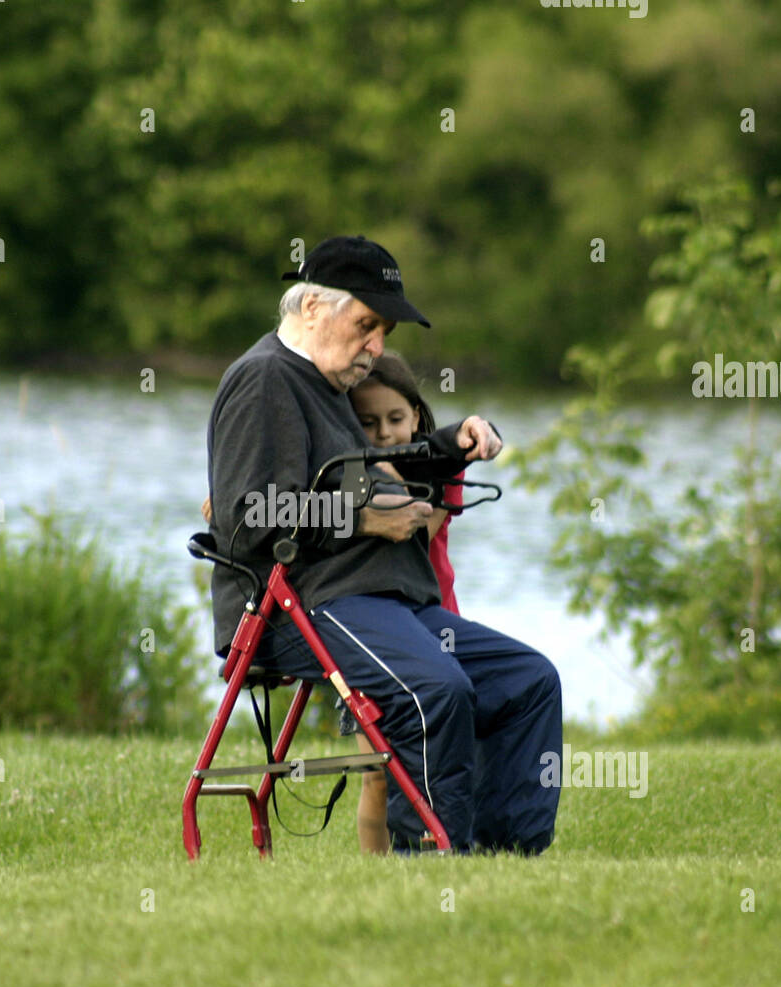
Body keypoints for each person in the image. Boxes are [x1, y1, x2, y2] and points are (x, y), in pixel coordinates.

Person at [206, 235, 561, 855]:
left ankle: (507, 861)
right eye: (367, 324)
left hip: (380, 601)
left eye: (385, 332)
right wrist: (367, 521)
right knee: (437, 689)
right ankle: (427, 858)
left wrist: (452, 445)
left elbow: (369, 466)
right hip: (298, 606)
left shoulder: (328, 382)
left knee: (530, 681)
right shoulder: (264, 381)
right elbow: (246, 515)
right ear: (312, 308)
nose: (377, 347)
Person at [341, 352, 463, 853]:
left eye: (396, 419)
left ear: (416, 416)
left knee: (438, 759)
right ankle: (376, 873)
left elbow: (411, 535)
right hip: (366, 633)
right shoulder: (341, 475)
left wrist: (386, 479)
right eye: (367, 423)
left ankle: (445, 847)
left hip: (434, 628)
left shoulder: (441, 473)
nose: (385, 432)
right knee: (378, 770)